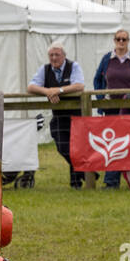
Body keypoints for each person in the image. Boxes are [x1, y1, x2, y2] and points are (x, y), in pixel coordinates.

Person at [27, 44, 86, 187]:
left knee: (75, 149)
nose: (54, 58)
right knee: (62, 148)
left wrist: (58, 90)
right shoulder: (45, 69)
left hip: (76, 115)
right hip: (58, 116)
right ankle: (86, 173)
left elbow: (79, 85)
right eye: (51, 55)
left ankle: (75, 182)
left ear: (64, 56)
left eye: (57, 55)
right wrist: (48, 92)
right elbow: (31, 87)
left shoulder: (74, 66)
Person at [94, 31, 130, 189]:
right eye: (118, 39)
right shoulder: (106, 59)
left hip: (129, 108)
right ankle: (111, 181)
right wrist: (101, 100)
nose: (121, 42)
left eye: (124, 39)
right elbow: (97, 79)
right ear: (114, 41)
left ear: (128, 41)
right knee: (112, 144)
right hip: (111, 108)